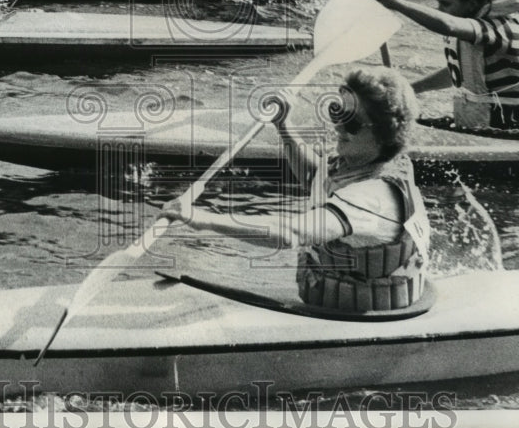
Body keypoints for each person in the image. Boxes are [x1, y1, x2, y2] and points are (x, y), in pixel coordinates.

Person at [162, 68, 429, 314]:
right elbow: (316, 178)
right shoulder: (355, 164)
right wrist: (283, 126)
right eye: (337, 112)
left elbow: (291, 233)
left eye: (353, 124)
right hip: (330, 306)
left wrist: (202, 219)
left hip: (360, 319)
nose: (338, 126)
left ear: (384, 135)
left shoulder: (374, 198)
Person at [368, 0, 519, 132]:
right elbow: (460, 73)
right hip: (484, 117)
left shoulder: (499, 26)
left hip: (513, 122)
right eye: (438, 3)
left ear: (472, 3)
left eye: (446, 4)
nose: (440, 10)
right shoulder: (476, 27)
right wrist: (410, 89)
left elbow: (448, 25)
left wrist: (391, 1)